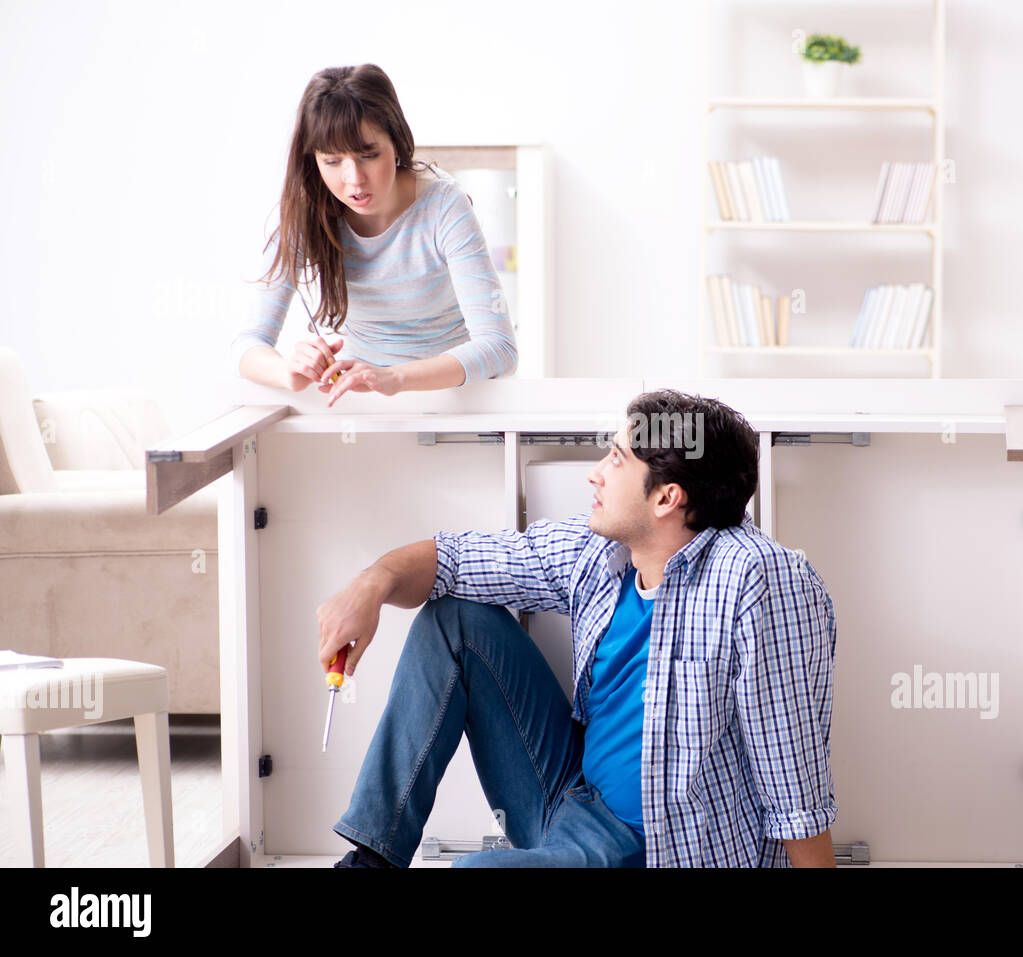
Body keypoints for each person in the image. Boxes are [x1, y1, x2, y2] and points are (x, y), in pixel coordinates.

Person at [316, 389, 838, 867]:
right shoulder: (602, 552)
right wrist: (372, 583)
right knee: (457, 618)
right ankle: (371, 862)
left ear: (666, 499)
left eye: (616, 459)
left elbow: (792, 779)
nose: (596, 474)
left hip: (658, 849)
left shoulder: (760, 582)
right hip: (570, 796)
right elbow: (456, 559)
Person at [233, 64, 517, 404]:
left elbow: (500, 348)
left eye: (368, 155)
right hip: (367, 405)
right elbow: (247, 345)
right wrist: (288, 372)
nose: (354, 180)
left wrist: (395, 376)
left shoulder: (443, 205)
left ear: (396, 145)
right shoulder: (304, 213)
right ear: (314, 161)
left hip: (459, 402)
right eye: (332, 161)